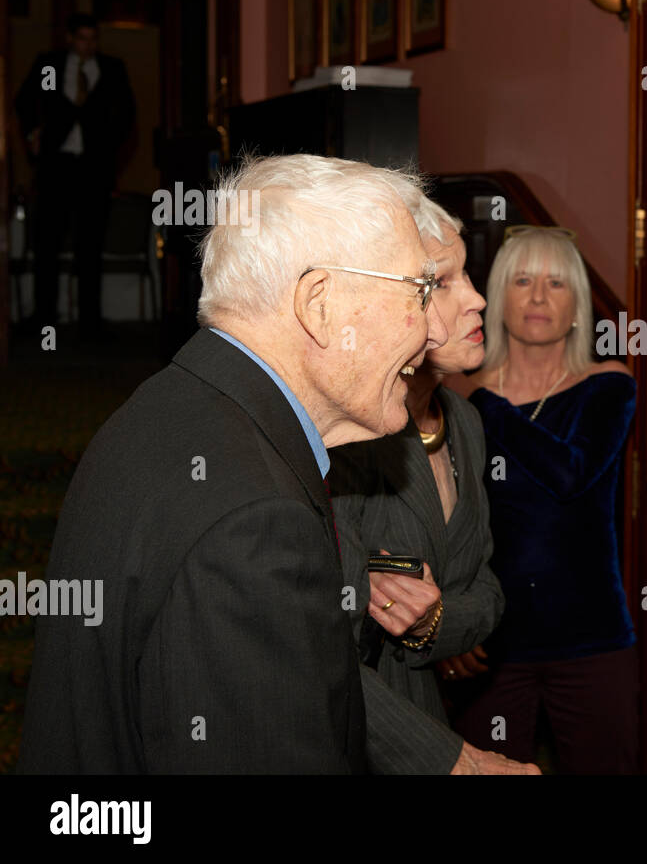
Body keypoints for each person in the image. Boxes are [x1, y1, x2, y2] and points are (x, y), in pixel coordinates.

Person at [19, 154, 448, 773]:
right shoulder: (255, 521)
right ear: (319, 304)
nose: (432, 329)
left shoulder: (177, 400)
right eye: (420, 289)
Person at [330, 187, 538, 774]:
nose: (478, 299)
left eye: (468, 276)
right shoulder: (345, 433)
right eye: (443, 283)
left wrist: (435, 625)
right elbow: (325, 647)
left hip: (430, 712)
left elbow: (487, 591)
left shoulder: (466, 421)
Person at [457, 226, 638, 774]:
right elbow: (447, 516)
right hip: (490, 644)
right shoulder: (460, 397)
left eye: (556, 283)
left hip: (592, 638)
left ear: (577, 306)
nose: (538, 297)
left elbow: (570, 474)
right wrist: (450, 618)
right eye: (523, 280)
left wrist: (486, 403)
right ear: (498, 298)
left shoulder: (608, 385)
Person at [15, 12, 135, 336]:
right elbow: (25, 101)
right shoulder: (50, 65)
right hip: (56, 165)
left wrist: (112, 154)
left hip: (94, 168)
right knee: (47, 242)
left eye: (93, 39)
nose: (88, 45)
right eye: (82, 38)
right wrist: (33, 135)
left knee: (90, 244)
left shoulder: (111, 69)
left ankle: (90, 321)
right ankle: (44, 318)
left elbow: (127, 116)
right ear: (70, 38)